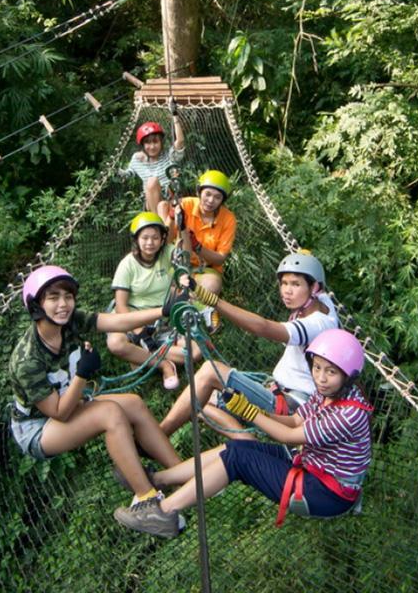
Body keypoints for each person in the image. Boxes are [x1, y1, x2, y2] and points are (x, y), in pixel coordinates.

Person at [114, 328, 373, 537]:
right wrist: (247, 408)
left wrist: (250, 413)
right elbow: (293, 420)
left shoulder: (348, 414)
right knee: (236, 448)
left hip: (326, 493)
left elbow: (288, 436)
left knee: (238, 460)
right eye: (317, 368)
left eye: (331, 372)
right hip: (310, 469)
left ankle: (162, 512)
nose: (321, 378)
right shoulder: (327, 395)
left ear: (348, 376)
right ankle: (158, 479)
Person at [8, 264, 184, 531]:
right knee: (110, 413)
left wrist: (163, 311)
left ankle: (183, 475)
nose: (63, 304)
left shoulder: (69, 322)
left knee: (134, 405)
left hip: (69, 403)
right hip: (37, 429)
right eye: (53, 297)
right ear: (35, 306)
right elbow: (59, 412)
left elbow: (115, 321)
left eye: (68, 296)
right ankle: (146, 503)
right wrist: (82, 374)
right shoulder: (27, 360)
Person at [157, 251, 338, 438]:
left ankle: (157, 437)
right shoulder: (321, 302)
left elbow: (262, 327)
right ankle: (247, 443)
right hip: (280, 391)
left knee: (210, 371)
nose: (287, 291)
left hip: (291, 407)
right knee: (203, 399)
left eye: (296, 284)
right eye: (284, 283)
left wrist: (211, 300)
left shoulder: (317, 325)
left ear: (315, 287)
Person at [106, 212, 204, 390]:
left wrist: (181, 228)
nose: (150, 243)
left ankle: (142, 354)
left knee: (196, 351)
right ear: (136, 239)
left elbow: (186, 256)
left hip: (162, 319)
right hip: (132, 318)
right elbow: (120, 305)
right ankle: (164, 365)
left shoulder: (167, 253)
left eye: (155, 238)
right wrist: (139, 331)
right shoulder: (127, 264)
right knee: (116, 344)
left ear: (162, 239)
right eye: (145, 238)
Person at [159, 169, 235, 297]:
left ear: (223, 200)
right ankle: (186, 304)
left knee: (212, 285)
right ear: (199, 192)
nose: (211, 201)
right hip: (180, 264)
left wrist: (198, 247)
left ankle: (184, 305)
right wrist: (172, 218)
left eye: (217, 197)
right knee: (160, 280)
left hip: (207, 270)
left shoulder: (228, 218)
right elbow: (166, 240)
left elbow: (220, 259)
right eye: (208, 194)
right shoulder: (186, 204)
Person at [120, 110, 185, 212]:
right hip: (151, 202)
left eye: (155, 142)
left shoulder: (169, 156)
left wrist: (175, 115)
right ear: (142, 145)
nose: (152, 147)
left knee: (163, 204)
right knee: (152, 181)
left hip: (171, 199)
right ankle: (157, 222)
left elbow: (180, 141)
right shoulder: (137, 159)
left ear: (161, 142)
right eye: (147, 143)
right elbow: (129, 172)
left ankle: (161, 225)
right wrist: (121, 174)